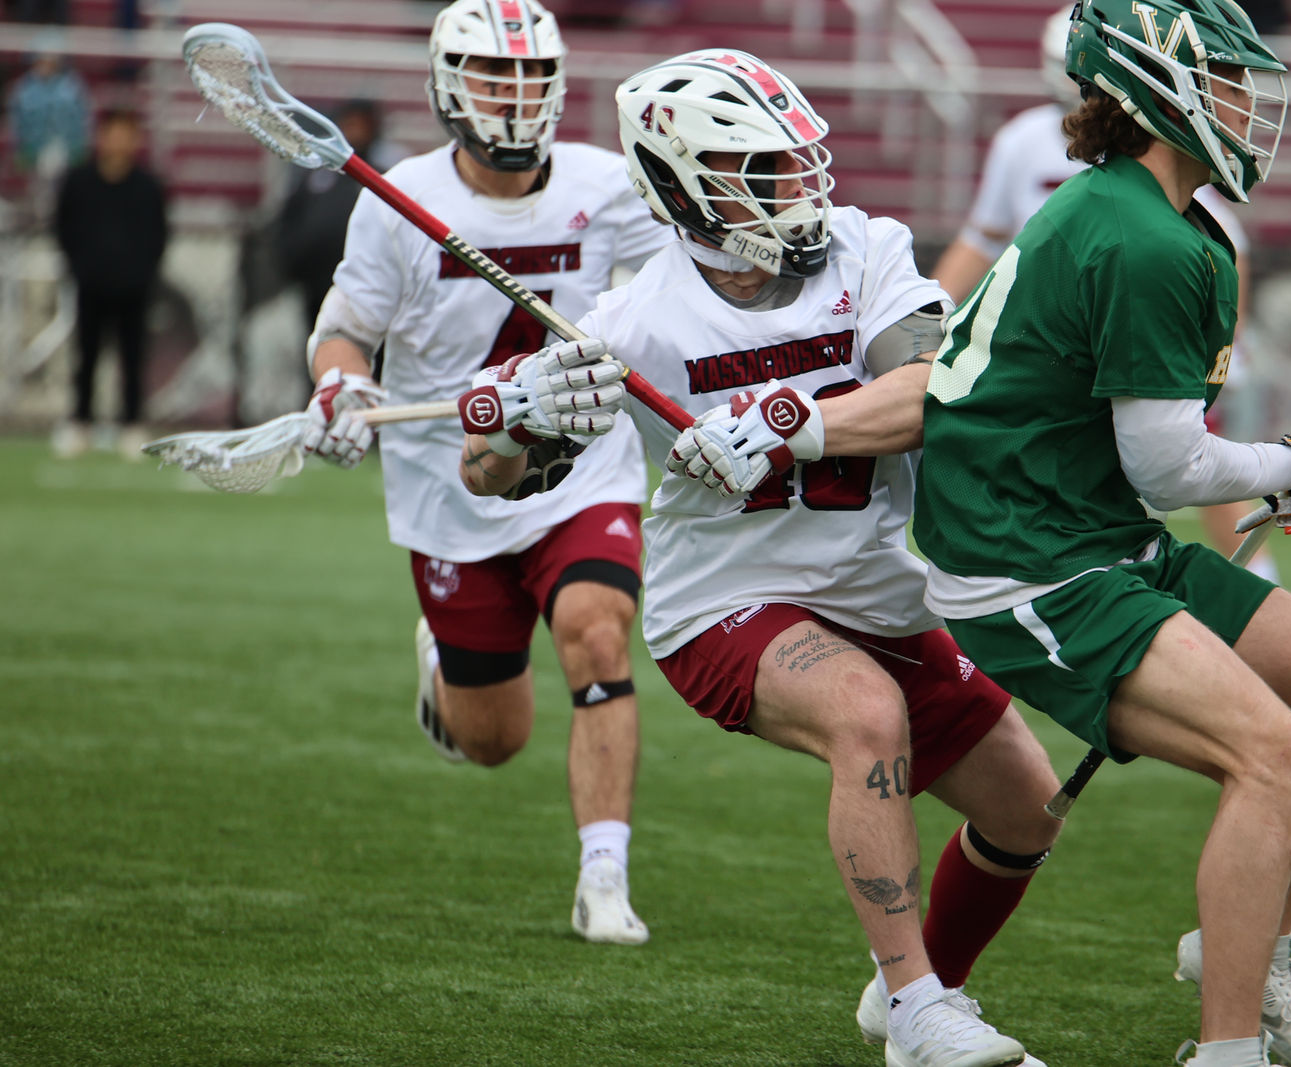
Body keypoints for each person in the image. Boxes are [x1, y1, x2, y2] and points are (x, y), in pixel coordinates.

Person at [461, 49, 1063, 1067]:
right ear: (686, 185)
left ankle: (913, 991)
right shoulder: (632, 322)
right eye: (763, 168)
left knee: (1025, 805)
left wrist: (785, 419)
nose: (799, 186)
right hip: (725, 602)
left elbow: (933, 391)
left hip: (871, 588)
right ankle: (919, 1014)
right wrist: (522, 420)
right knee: (864, 711)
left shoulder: (867, 250)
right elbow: (488, 472)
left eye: (795, 161)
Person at [914, 3, 1291, 1065]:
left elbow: (1153, 455)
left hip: (1096, 538)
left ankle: (1256, 943)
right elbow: (1169, 467)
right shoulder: (1137, 234)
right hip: (1026, 565)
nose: (1249, 104)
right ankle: (1226, 1051)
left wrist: (1288, 463)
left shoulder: (1168, 222)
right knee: (1275, 753)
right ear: (1156, 92)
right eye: (1228, 80)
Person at [300, 0, 672, 945]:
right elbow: (346, 333)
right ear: (446, 87)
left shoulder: (604, 184)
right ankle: (442, 662)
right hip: (451, 490)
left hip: (577, 468)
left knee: (598, 633)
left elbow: (676, 295)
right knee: (493, 740)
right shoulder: (399, 200)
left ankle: (604, 877)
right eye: (493, 77)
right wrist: (341, 391)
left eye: (530, 78)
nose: (514, 97)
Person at [932, 3, 1276, 579]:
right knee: (1151, 456)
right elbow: (981, 237)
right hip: (1063, 331)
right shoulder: (1050, 154)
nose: (1243, 101)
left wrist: (1222, 329)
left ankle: (1252, 580)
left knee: (1165, 452)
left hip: (1131, 314)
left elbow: (1218, 249)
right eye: (1228, 81)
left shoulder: (1164, 172)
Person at [52, 107, 168, 459]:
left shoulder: (148, 185)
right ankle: (80, 422)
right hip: (91, 285)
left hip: (133, 288)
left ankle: (131, 424)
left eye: (126, 132)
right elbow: (64, 228)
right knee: (86, 356)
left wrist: (141, 272)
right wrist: (81, 267)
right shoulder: (78, 181)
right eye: (112, 132)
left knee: (132, 358)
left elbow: (158, 235)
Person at [272, 99, 407, 340]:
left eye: (360, 124)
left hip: (372, 285)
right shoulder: (317, 176)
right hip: (317, 284)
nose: (353, 131)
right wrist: (291, 262)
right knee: (319, 342)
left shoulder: (389, 176)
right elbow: (290, 219)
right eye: (348, 124)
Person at [6, 44, 90, 225]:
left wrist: (78, 148)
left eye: (50, 61)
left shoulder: (72, 87)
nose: (46, 65)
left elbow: (82, 119)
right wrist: (20, 150)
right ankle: (39, 221)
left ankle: (59, 220)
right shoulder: (23, 89)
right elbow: (16, 122)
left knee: (61, 183)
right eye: (41, 61)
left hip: (64, 149)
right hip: (33, 149)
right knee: (39, 188)